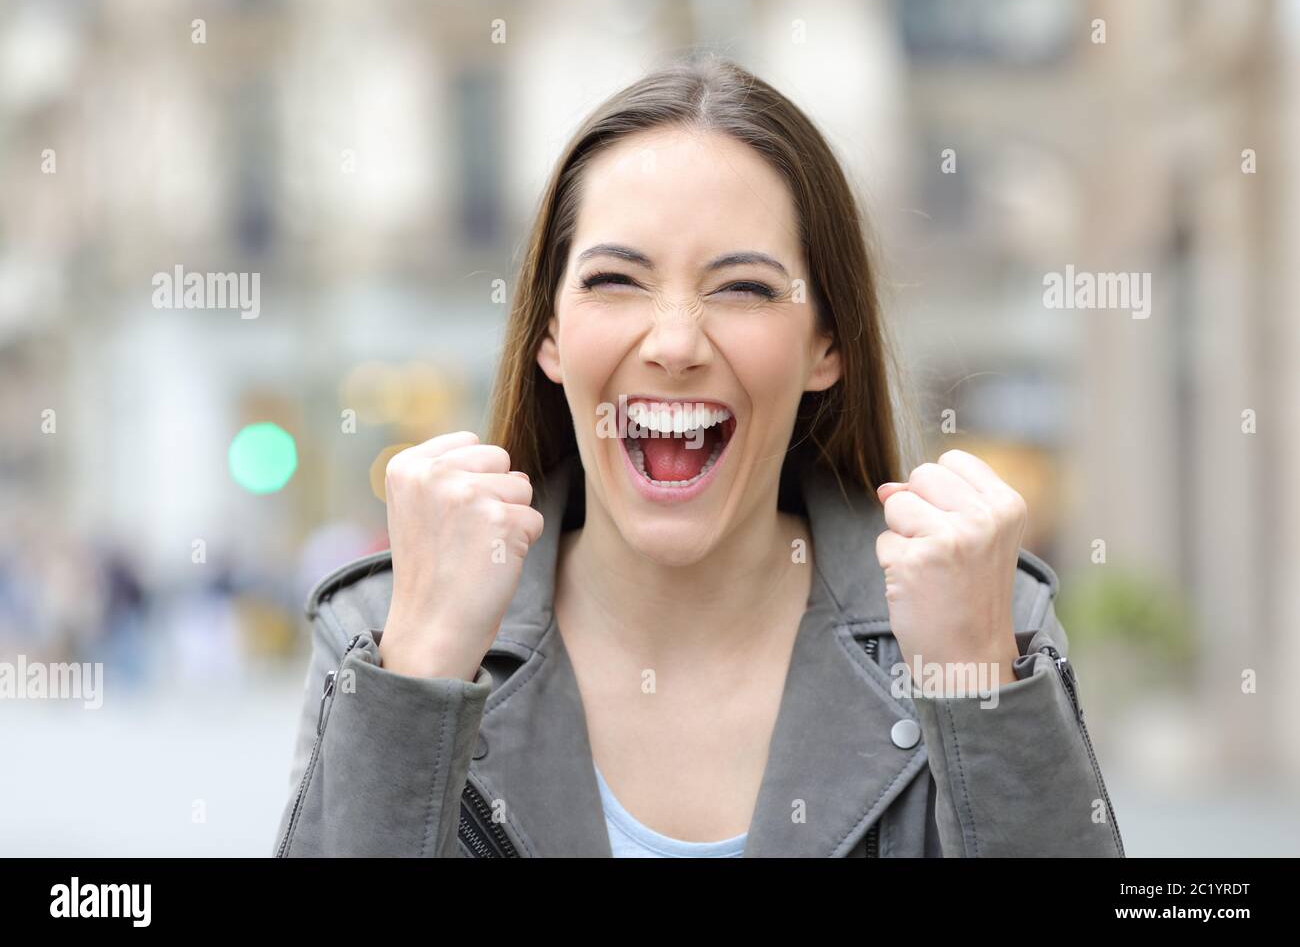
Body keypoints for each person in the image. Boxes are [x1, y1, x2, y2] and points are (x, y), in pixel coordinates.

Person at [273, 54, 1123, 858]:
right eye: (615, 280)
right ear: (550, 335)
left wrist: (980, 695)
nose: (675, 342)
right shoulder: (381, 632)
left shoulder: (983, 614)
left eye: (744, 287)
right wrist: (417, 680)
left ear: (827, 343)